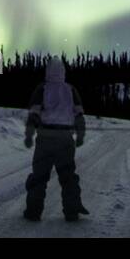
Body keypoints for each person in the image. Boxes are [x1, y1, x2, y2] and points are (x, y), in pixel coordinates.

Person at [24, 57, 89, 222]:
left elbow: (33, 115)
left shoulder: (42, 89)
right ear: (63, 71)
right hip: (65, 141)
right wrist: (80, 135)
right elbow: (79, 115)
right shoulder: (71, 90)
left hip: (45, 139)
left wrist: (29, 135)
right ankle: (72, 211)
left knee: (39, 177)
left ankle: (33, 212)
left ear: (48, 70)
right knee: (68, 177)